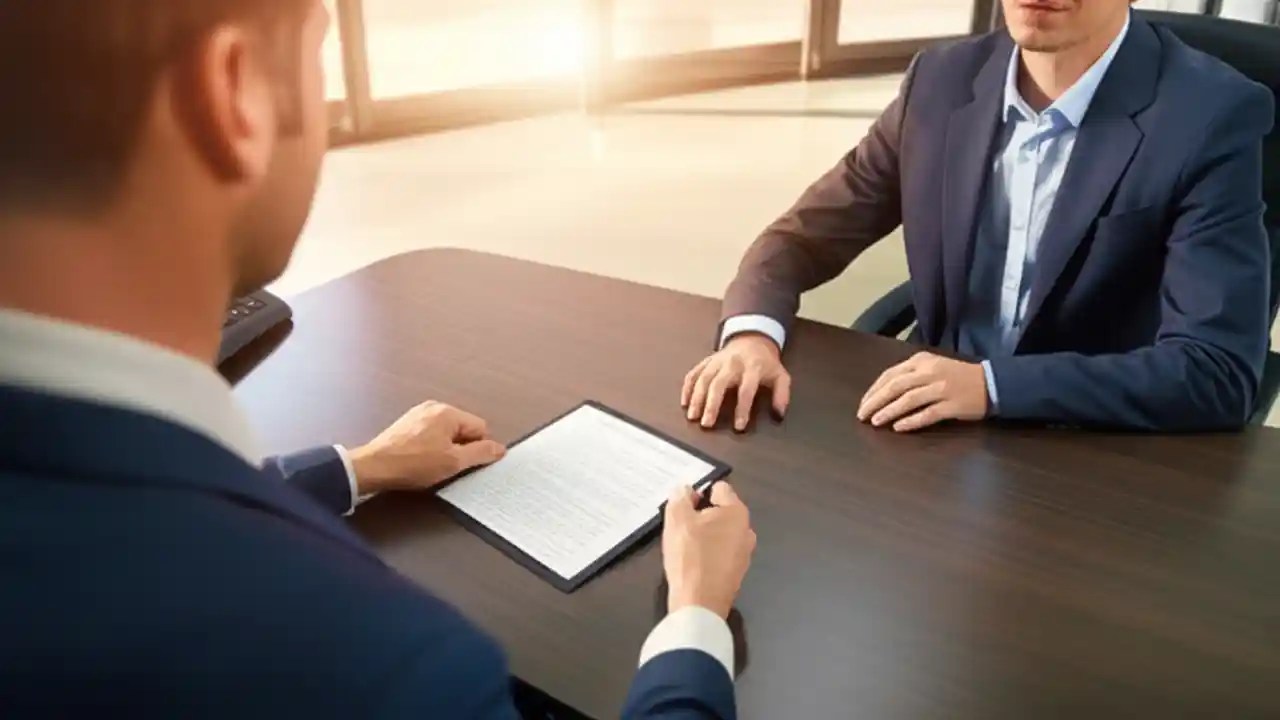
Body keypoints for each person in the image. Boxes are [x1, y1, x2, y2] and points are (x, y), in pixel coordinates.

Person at [0, 2, 754, 717]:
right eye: (317, 46)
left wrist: (358, 468)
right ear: (234, 95)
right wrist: (695, 620)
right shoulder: (382, 667)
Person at [683, 0, 1274, 433]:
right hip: (931, 435)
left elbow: (1215, 371)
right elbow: (799, 239)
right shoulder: (939, 84)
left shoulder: (1210, 116)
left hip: (1091, 451)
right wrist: (752, 335)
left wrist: (990, 387)